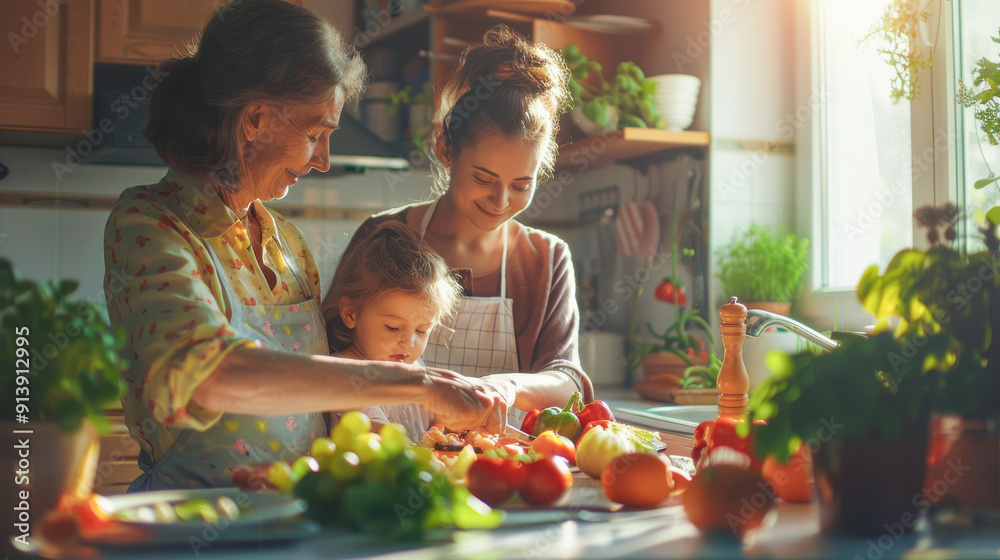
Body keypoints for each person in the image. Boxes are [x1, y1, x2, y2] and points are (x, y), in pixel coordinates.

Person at [102, 0, 493, 491]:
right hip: (195, 519)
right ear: (255, 120)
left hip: (303, 515)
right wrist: (417, 384)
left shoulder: (288, 241)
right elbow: (209, 375)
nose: (324, 161)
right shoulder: (149, 223)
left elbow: (328, 386)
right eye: (314, 134)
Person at [321, 26, 593, 431]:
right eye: (483, 178)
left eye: (521, 185)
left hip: (499, 472)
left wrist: (504, 388)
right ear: (445, 148)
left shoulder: (546, 259)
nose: (501, 201)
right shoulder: (384, 235)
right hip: (394, 463)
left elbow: (568, 381)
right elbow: (329, 355)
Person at [325, 221, 463, 441]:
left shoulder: (411, 366)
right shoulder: (348, 377)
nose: (409, 343)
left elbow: (442, 422)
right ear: (350, 314)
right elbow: (384, 442)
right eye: (393, 327)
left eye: (422, 330)